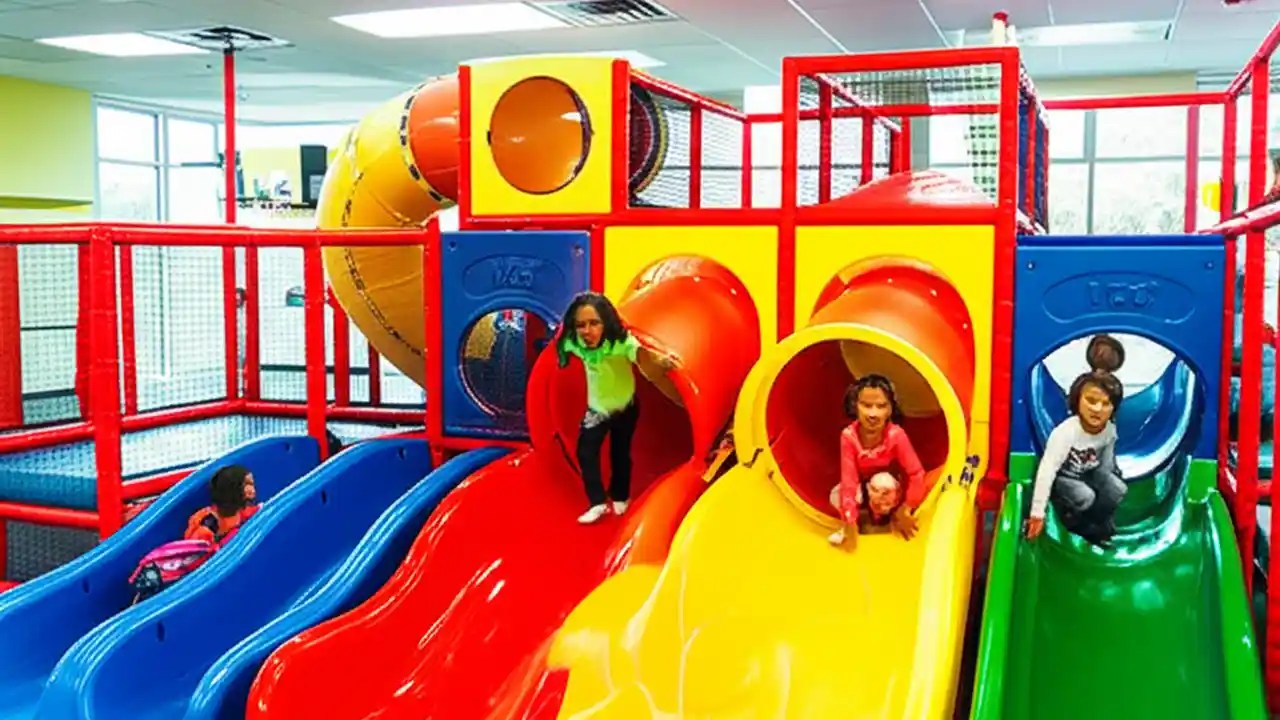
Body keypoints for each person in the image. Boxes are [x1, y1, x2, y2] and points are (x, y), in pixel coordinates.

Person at [557, 292, 679, 524]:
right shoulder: (575, 342)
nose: (587, 331)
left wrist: (659, 361)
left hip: (625, 408)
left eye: (594, 323)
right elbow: (561, 344)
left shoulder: (621, 343)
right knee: (585, 452)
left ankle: (620, 495)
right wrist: (561, 356)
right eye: (581, 325)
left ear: (606, 322)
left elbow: (641, 355)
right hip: (597, 410)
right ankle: (597, 502)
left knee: (620, 452)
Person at [1025, 334, 1127, 548]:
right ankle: (1075, 520)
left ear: (1113, 408)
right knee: (1085, 496)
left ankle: (1097, 521)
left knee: (1117, 488)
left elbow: (1106, 464)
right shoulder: (1067, 432)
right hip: (1065, 479)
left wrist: (1112, 480)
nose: (1097, 409)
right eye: (1090, 401)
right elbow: (1047, 469)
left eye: (1105, 404)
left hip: (1089, 473)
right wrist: (1037, 513)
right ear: (1076, 401)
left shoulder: (1109, 430)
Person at [828, 374, 925, 548]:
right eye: (866, 405)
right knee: (837, 495)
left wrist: (906, 508)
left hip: (891, 489)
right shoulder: (849, 436)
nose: (873, 414)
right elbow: (849, 480)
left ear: (890, 410)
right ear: (855, 406)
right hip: (866, 490)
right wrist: (849, 519)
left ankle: (888, 516)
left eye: (881, 406)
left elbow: (916, 473)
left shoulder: (896, 435)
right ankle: (864, 518)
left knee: (882, 482)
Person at [185, 464, 261, 543]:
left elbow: (255, 511)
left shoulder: (238, 510)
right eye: (247, 484)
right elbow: (198, 548)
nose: (252, 489)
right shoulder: (209, 523)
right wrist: (226, 541)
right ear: (233, 489)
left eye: (252, 484)